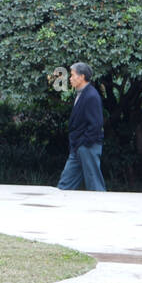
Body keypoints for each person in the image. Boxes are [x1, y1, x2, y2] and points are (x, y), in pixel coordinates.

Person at [57, 61, 106, 191]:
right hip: (78, 146)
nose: (70, 78)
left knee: (94, 184)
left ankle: (103, 209)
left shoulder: (91, 96)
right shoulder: (82, 94)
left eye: (73, 75)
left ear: (82, 77)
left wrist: (84, 143)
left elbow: (96, 124)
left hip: (87, 146)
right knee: (65, 183)